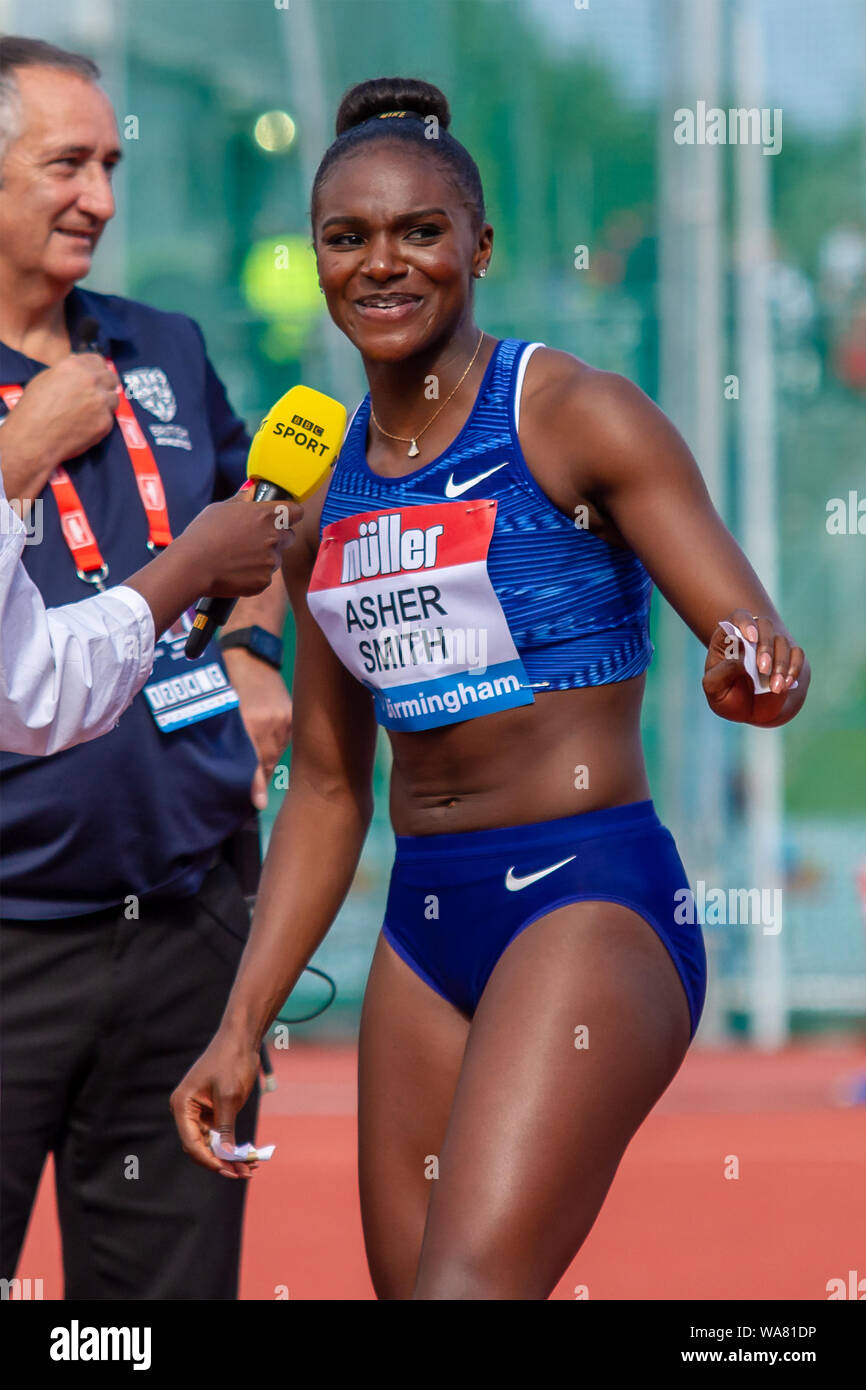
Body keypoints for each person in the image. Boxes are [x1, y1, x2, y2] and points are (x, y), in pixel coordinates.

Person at [172, 78, 811, 1301]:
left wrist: (753, 676)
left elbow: (752, 645)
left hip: (584, 896)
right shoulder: (310, 485)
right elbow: (320, 785)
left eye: (419, 232)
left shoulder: (574, 417)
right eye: (346, 239)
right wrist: (241, 1022)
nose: (381, 266)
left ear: (479, 244)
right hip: (423, 926)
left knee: (468, 1288)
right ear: (314, 257)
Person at [0, 37, 293, 1300]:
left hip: (182, 925)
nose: (101, 200)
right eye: (66, 163)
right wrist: (23, 448)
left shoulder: (161, 346)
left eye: (111, 163)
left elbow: (257, 524)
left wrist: (250, 648)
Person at [0, 469, 296, 756]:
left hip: (205, 754)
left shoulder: (209, 419)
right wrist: (196, 564)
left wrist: (251, 650)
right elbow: (27, 685)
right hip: (36, 777)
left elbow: (263, 512)